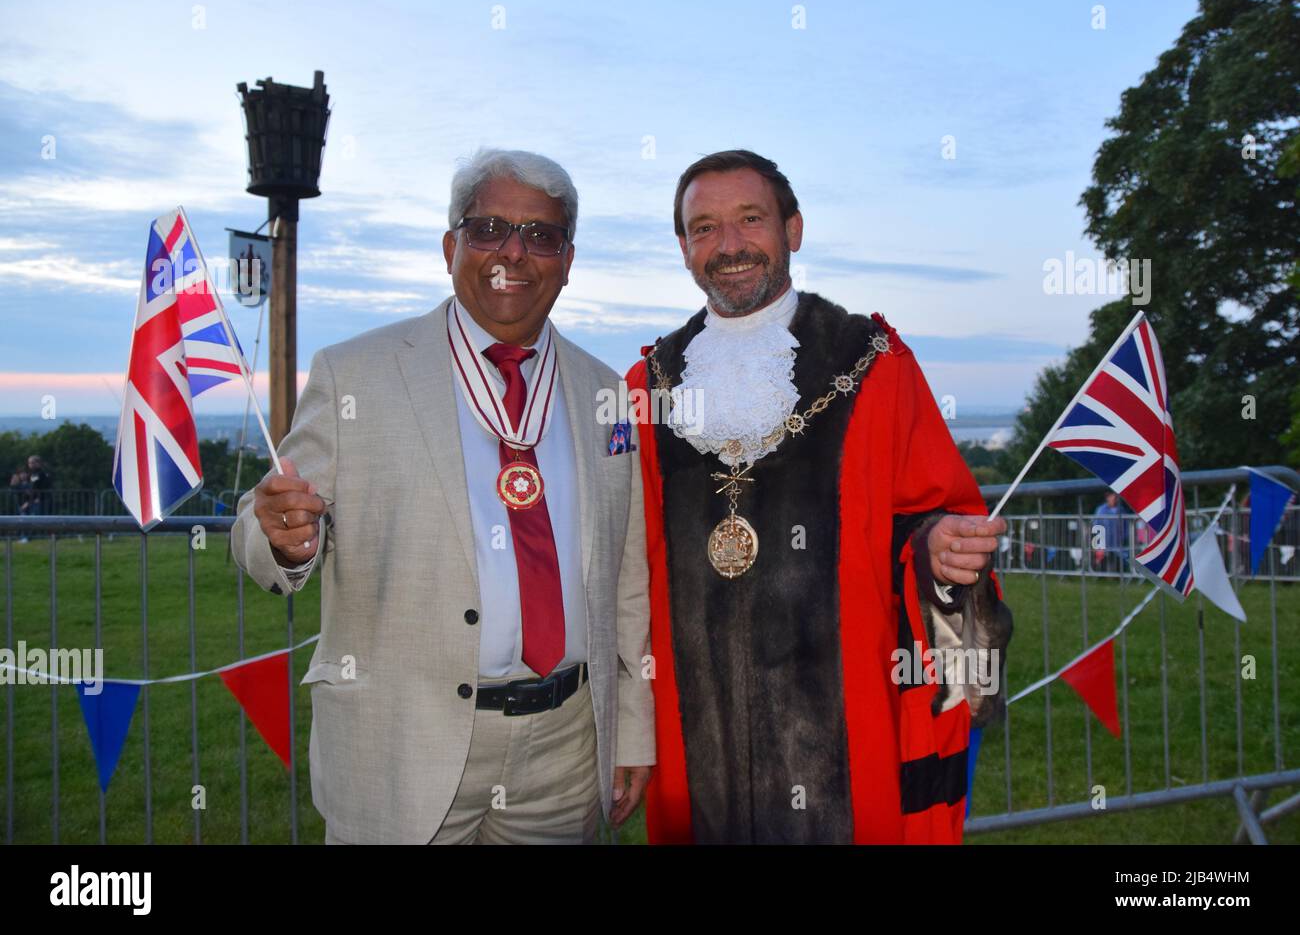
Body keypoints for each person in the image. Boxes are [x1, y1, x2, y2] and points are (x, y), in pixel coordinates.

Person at [232, 148, 655, 844]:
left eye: (540, 236)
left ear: (568, 260)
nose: (513, 253)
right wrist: (276, 534)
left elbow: (626, 579)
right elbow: (261, 522)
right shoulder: (356, 374)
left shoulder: (607, 393)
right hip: (402, 747)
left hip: (565, 751)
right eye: (489, 228)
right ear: (450, 245)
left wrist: (632, 728)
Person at [624, 150, 1013, 843]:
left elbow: (932, 513)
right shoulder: (646, 386)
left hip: (843, 731)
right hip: (694, 733)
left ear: (793, 229)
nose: (730, 245)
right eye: (704, 227)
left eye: (751, 219)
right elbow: (626, 566)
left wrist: (936, 549)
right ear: (683, 248)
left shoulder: (873, 365)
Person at [1092, 490, 1127, 572]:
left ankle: (1117, 575)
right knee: (1103, 559)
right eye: (1113, 496)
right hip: (1104, 539)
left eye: (1116, 497)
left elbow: (1126, 526)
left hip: (1118, 540)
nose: (1115, 499)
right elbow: (1097, 525)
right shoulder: (1101, 510)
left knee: (1118, 558)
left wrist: (1124, 536)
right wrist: (1098, 542)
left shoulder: (1121, 509)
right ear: (1108, 497)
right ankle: (1102, 575)